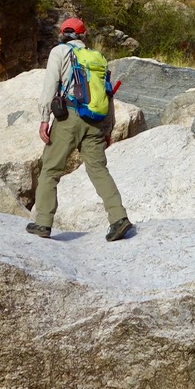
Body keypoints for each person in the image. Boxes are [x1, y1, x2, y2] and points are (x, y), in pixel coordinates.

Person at [26, 17, 134, 242]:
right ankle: (118, 218)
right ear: (84, 36)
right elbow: (107, 94)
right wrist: (108, 129)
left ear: (62, 34)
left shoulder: (59, 52)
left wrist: (44, 118)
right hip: (96, 121)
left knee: (51, 169)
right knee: (98, 170)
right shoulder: (98, 57)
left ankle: (42, 222)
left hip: (69, 117)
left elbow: (50, 86)